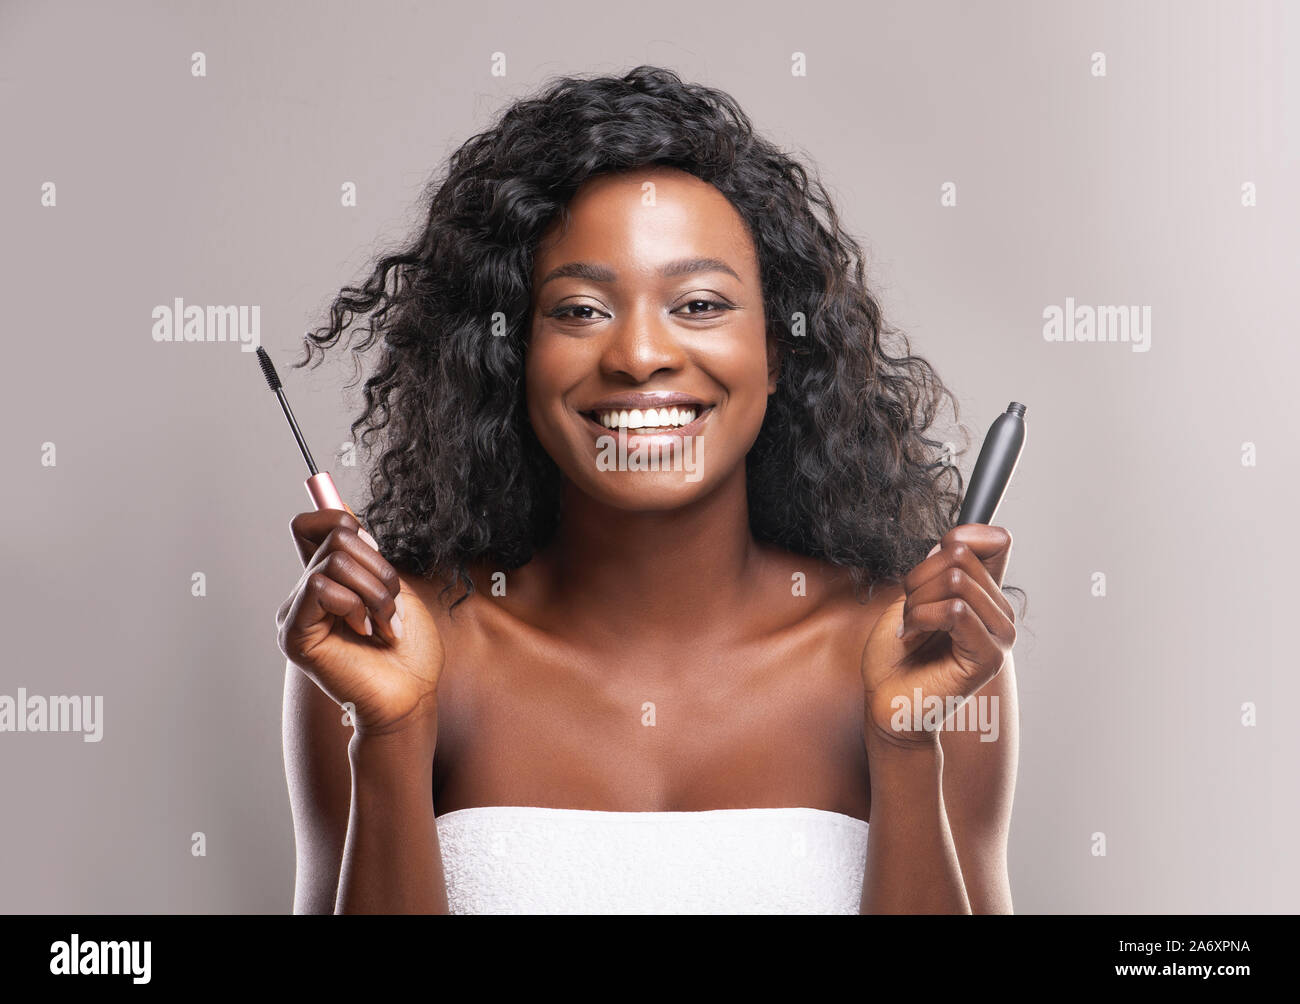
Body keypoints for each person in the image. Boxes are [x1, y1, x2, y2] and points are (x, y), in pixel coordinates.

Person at [276, 65, 1021, 914]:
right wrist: (392, 733)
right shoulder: (396, 646)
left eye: (700, 304)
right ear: (512, 355)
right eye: (581, 310)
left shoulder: (918, 646)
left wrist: (904, 743)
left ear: (777, 355)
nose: (637, 355)